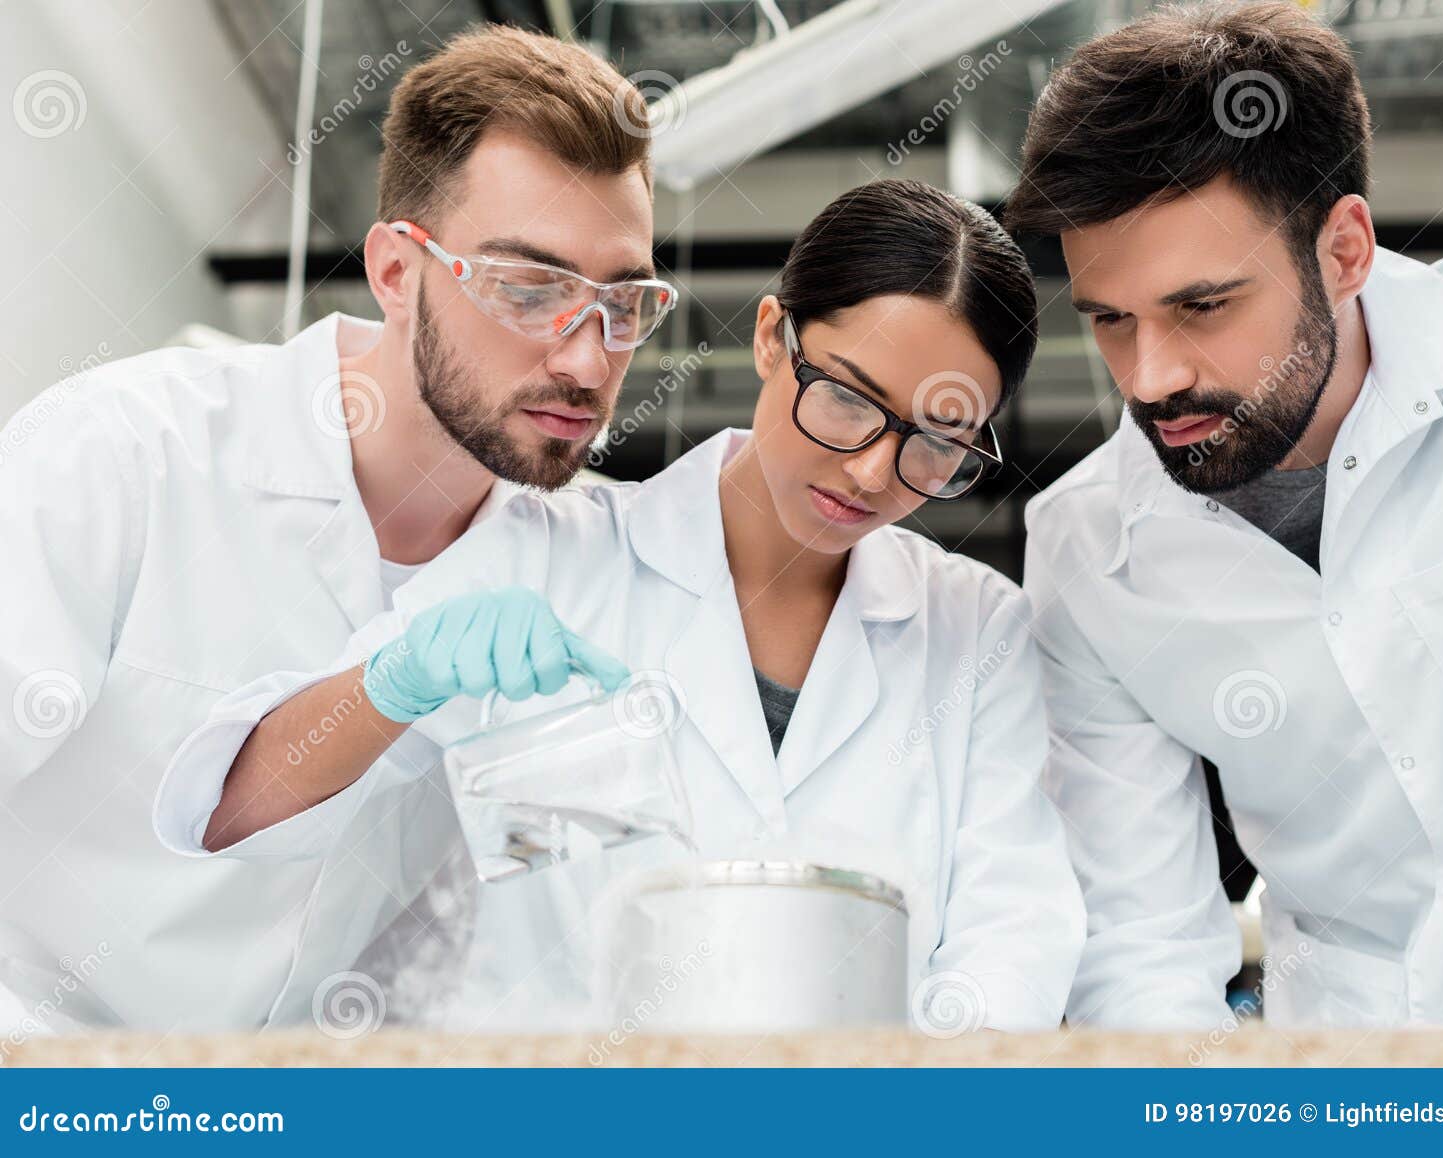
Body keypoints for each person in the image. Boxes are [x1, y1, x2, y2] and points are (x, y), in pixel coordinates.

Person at [155, 179, 1084, 1033]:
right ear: (771, 337)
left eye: (938, 442)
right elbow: (231, 810)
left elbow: (1015, 932)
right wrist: (394, 685)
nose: (874, 471)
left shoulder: (975, 628)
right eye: (847, 400)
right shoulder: (547, 553)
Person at [0, 26, 669, 1032]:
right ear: (398, 271)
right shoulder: (123, 451)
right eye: (530, 291)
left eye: (623, 304)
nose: (586, 362)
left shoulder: (579, 568)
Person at [1008, 0, 1443, 1031]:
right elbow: (1137, 941)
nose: (1151, 380)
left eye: (1202, 307)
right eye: (1109, 320)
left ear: (1343, 251)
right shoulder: (1084, 547)